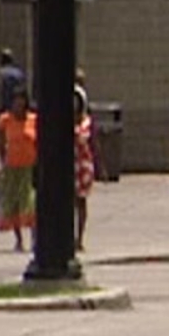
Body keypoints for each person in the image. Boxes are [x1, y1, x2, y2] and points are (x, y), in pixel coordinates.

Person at [0, 86, 38, 251]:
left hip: (29, 167)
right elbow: (0, 143)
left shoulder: (34, 120)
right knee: (13, 204)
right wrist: (0, 162)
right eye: (15, 100)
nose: (18, 104)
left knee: (30, 203)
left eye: (21, 100)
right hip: (12, 166)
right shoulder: (5, 120)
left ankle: (35, 238)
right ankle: (18, 240)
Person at [74, 90, 95, 252]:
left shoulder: (87, 122)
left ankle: (79, 238)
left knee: (81, 202)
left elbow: (94, 143)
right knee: (69, 203)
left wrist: (101, 166)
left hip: (83, 165)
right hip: (68, 164)